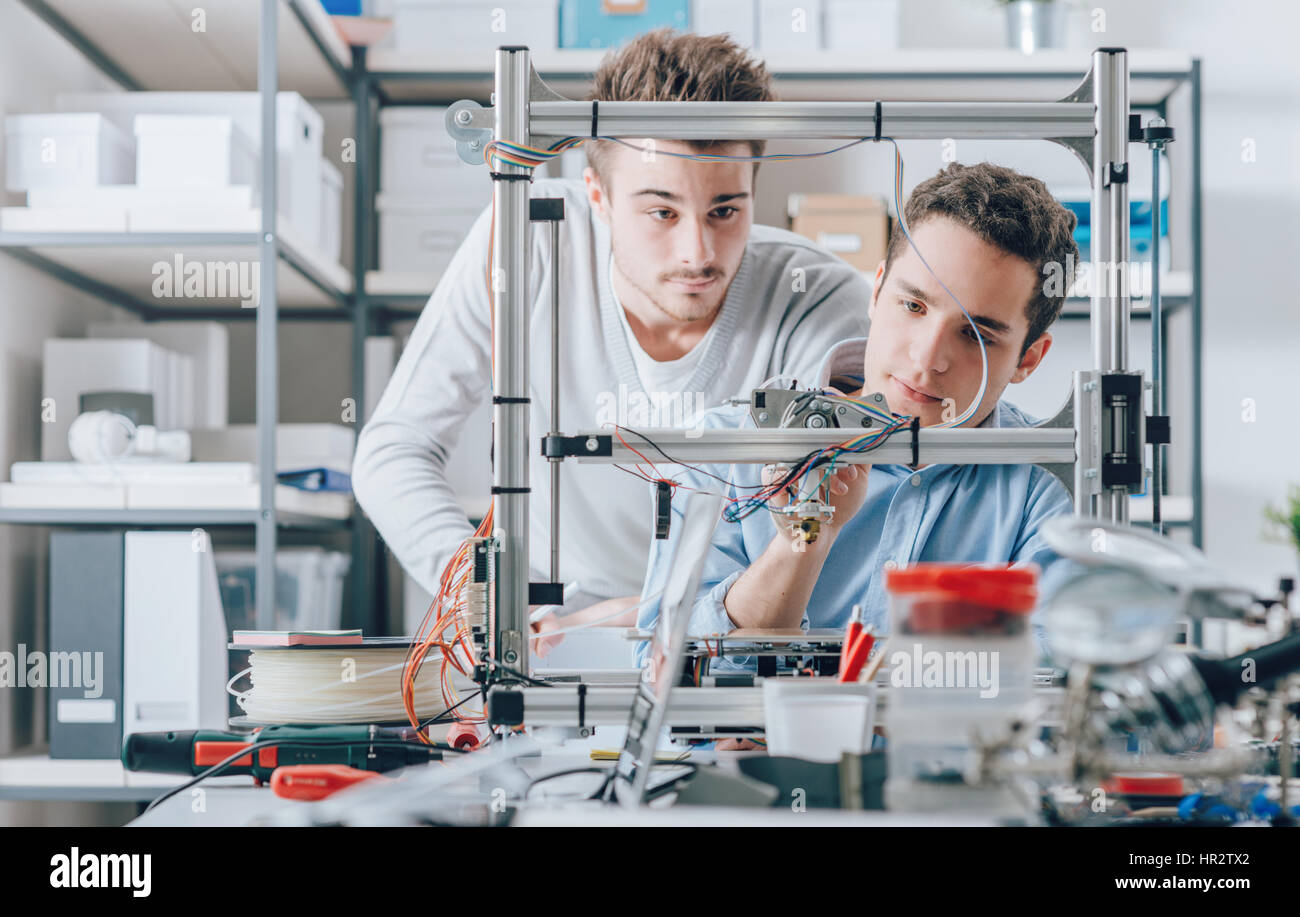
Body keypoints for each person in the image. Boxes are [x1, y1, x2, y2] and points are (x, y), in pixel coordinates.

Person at [352, 29, 870, 651]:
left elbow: (820, 528)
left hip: (727, 638)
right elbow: (394, 450)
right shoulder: (527, 240)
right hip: (550, 640)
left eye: (725, 210)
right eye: (662, 212)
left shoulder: (815, 292)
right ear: (597, 196)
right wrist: (480, 595)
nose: (698, 253)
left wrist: (657, 614)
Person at [636, 161, 1081, 667]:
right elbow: (663, 673)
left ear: (1028, 358)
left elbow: (1059, 689)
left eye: (976, 334)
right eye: (913, 306)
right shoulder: (724, 447)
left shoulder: (1043, 489)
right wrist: (800, 545)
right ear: (875, 292)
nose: (926, 358)